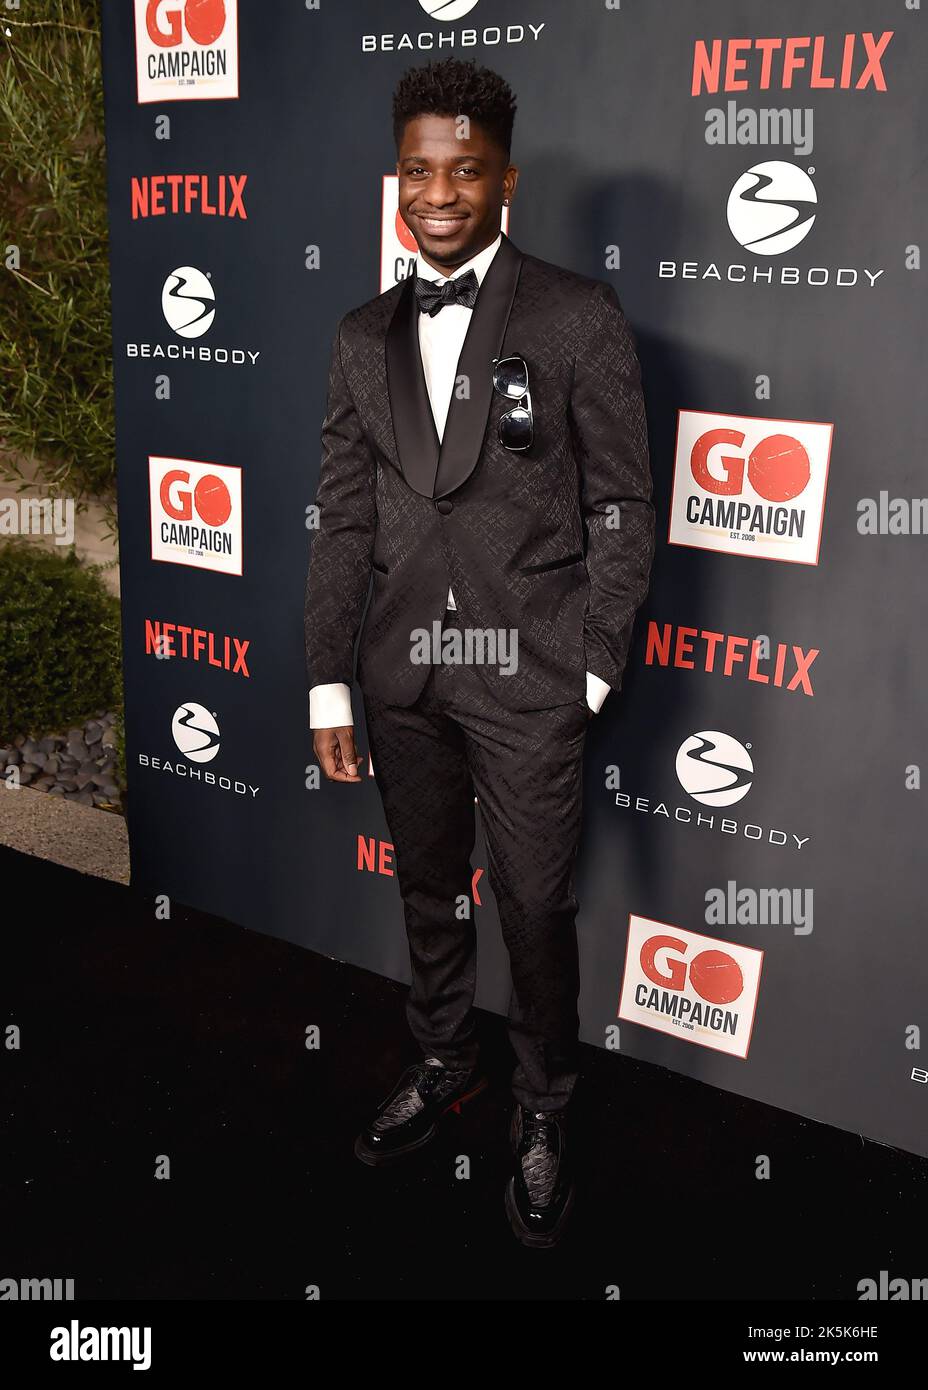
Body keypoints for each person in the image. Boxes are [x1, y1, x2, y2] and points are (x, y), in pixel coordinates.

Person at [304, 57, 654, 1248]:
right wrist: (327, 678)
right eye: (417, 170)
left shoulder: (574, 315)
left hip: (530, 681)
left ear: (504, 176)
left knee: (537, 907)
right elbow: (344, 519)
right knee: (423, 886)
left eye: (462, 169)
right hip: (402, 679)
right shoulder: (361, 335)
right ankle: (446, 1056)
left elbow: (621, 504)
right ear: (395, 179)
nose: (438, 191)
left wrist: (593, 661)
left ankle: (544, 1104)